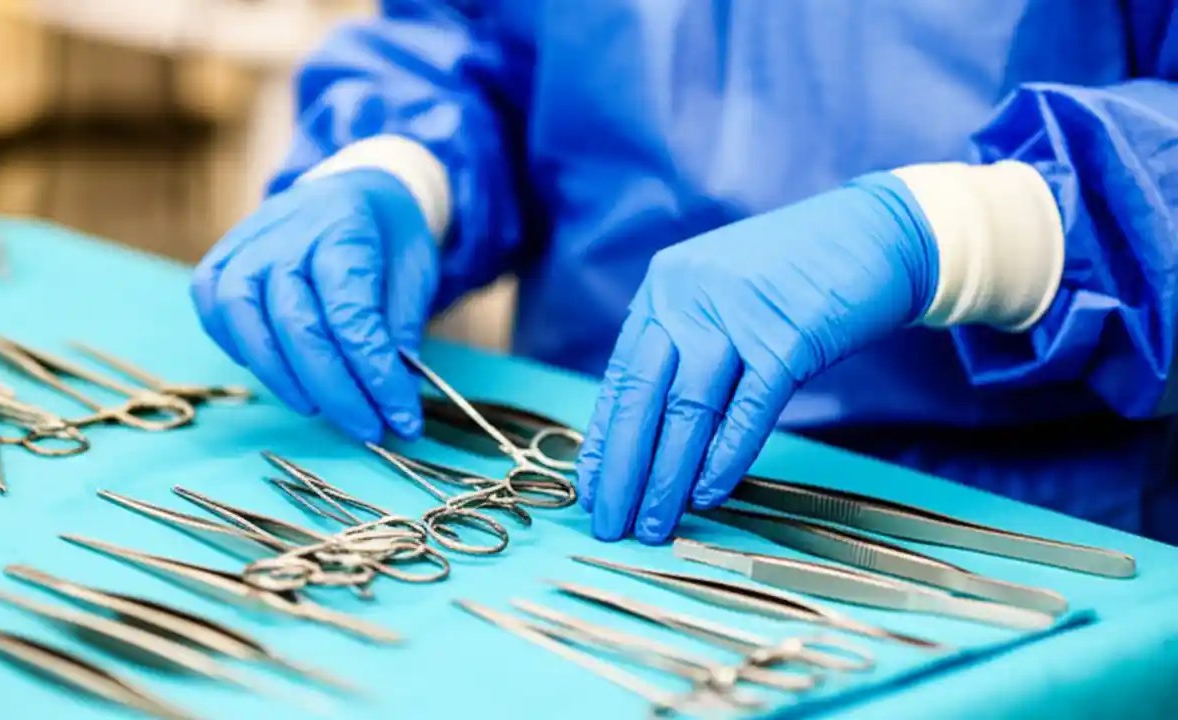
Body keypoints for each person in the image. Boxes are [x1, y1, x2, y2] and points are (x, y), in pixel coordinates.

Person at [191, 1, 1178, 546]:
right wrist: (394, 168)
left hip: (1015, 518)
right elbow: (476, 39)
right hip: (593, 466)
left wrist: (963, 233)